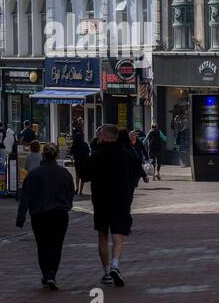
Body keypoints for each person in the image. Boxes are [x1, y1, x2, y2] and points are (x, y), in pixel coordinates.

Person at [78, 124, 144, 286]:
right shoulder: (126, 154)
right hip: (121, 199)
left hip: (101, 200)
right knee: (118, 234)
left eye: (99, 134)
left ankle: (107, 272)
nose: (98, 137)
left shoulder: (97, 155)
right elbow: (137, 170)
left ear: (106, 136)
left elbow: (84, 176)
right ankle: (115, 264)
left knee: (102, 235)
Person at [15, 143, 75, 290]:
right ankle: (52, 273)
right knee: (56, 245)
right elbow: (71, 192)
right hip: (59, 214)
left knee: (42, 246)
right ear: (56, 156)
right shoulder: (64, 173)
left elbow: (25, 197)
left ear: (43, 155)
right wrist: (67, 205)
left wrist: (21, 217)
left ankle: (46, 273)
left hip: (39, 215)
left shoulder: (34, 174)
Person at [70, 127, 91, 196]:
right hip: (84, 162)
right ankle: (81, 191)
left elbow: (71, 153)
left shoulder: (74, 144)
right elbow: (88, 152)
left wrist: (72, 159)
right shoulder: (84, 144)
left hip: (77, 161)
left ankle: (77, 188)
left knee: (77, 175)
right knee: (82, 177)